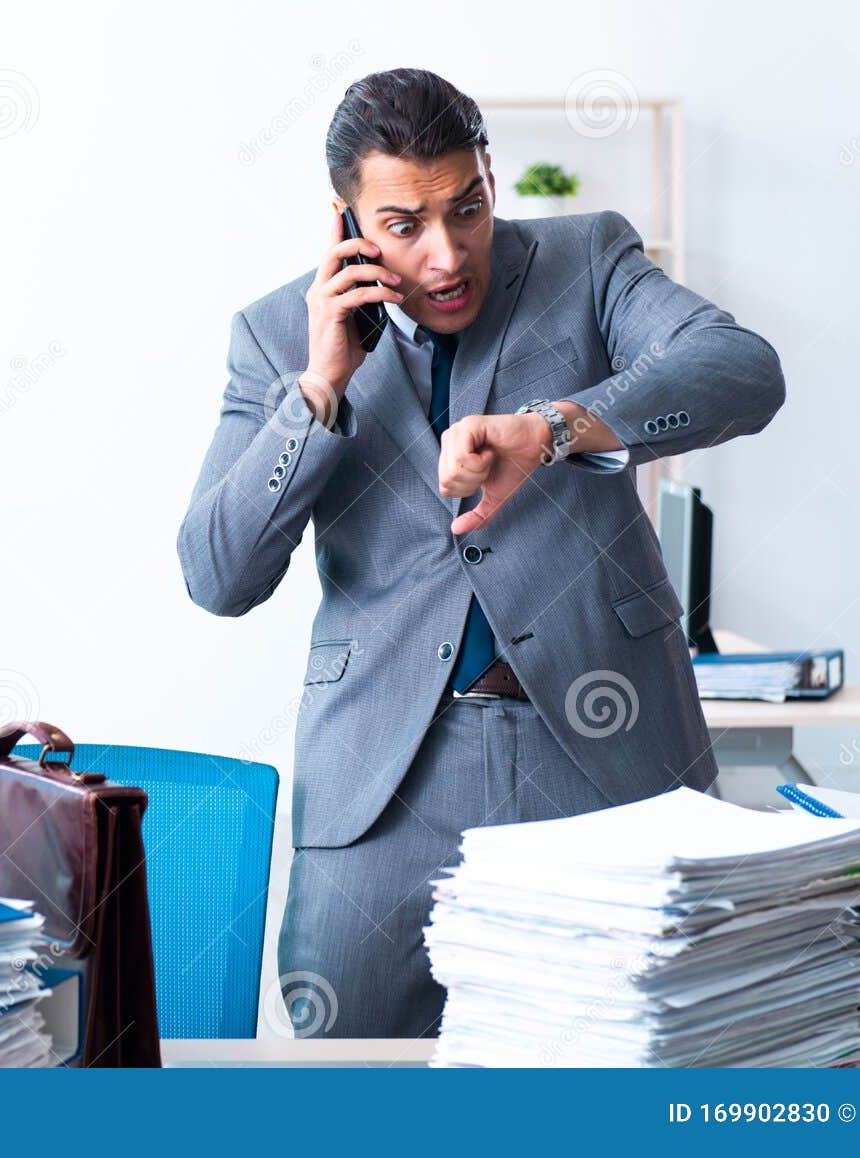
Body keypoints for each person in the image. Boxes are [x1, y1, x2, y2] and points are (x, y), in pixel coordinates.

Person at [176, 68, 785, 1037]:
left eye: (467, 207)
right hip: (385, 780)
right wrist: (320, 389)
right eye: (403, 225)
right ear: (345, 223)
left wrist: (555, 427)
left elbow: (742, 371)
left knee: (643, 1064)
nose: (448, 252)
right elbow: (217, 576)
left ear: (491, 177)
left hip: (606, 752)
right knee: (352, 1084)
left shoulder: (586, 259)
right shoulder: (274, 336)